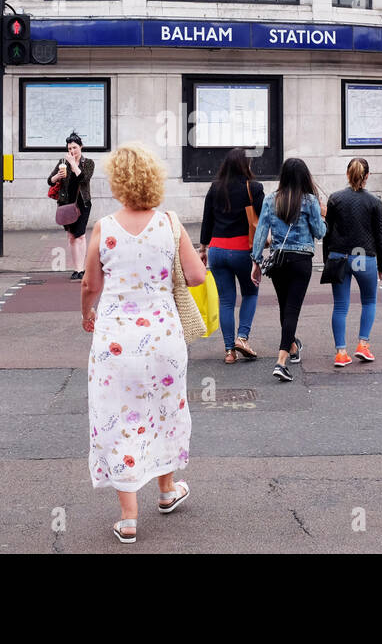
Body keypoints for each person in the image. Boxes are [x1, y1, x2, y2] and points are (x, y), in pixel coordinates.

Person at [80, 142, 204, 544]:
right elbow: (197, 276)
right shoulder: (170, 223)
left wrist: (87, 313)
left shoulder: (104, 227)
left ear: (117, 181)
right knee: (164, 410)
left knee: (117, 417)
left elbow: (89, 284)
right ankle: (167, 491)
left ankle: (129, 517)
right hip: (164, 338)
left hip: (116, 339)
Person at [250, 158, 326, 382]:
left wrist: (256, 262)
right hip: (301, 260)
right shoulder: (310, 201)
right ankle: (281, 361)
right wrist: (323, 215)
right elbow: (320, 232)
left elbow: (261, 232)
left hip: (278, 261)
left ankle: (292, 346)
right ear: (304, 176)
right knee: (292, 309)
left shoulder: (271, 199)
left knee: (286, 307)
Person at [199, 148, 265, 364]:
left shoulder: (215, 188)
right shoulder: (253, 188)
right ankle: (242, 338)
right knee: (250, 293)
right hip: (242, 250)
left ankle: (229, 351)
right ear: (245, 165)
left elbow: (207, 219)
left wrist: (203, 249)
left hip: (217, 250)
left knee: (226, 300)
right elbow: (262, 221)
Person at [323, 158, 382, 367]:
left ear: (347, 174)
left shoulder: (335, 199)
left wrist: (327, 260)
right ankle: (363, 345)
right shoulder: (374, 201)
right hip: (363, 257)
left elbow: (327, 233)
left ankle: (341, 353)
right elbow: (380, 236)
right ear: (367, 176)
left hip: (339, 256)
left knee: (340, 306)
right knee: (368, 301)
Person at [48, 132, 95, 280]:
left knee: (80, 235)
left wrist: (74, 163)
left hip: (82, 203)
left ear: (81, 147)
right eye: (69, 148)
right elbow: (50, 180)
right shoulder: (63, 162)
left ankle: (82, 269)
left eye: (75, 147)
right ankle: (76, 269)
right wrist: (57, 177)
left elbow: (84, 178)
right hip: (65, 204)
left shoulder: (88, 163)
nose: (72, 151)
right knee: (71, 237)